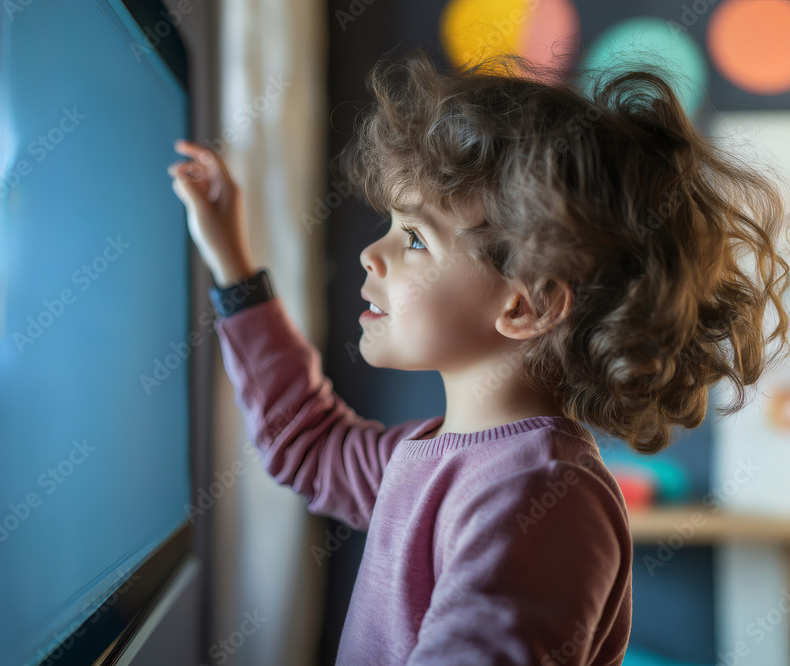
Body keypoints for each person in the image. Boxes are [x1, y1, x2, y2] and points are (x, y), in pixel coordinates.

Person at [166, 48, 790, 665]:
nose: (369, 255)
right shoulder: (439, 457)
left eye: (413, 238)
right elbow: (306, 444)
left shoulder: (544, 495)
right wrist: (235, 269)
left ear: (528, 305)